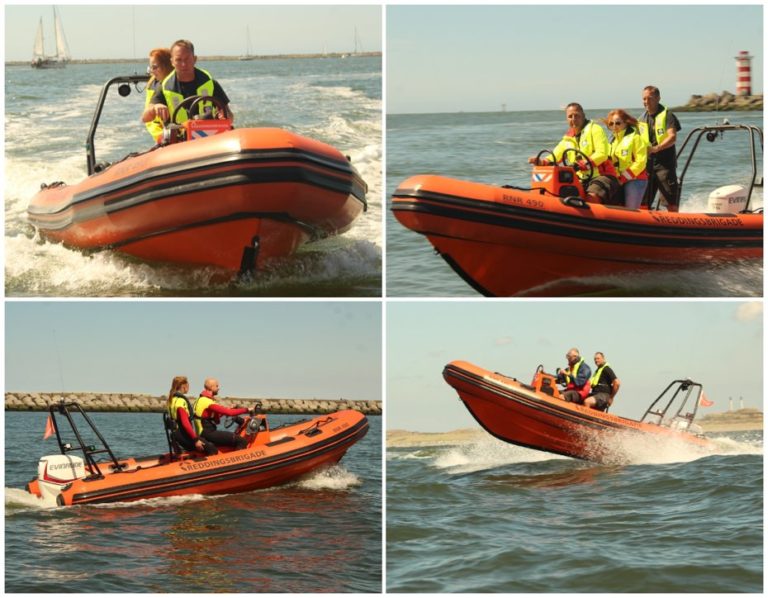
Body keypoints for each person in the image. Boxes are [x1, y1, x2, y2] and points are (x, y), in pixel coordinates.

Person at [528, 102, 619, 204]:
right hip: (580, 178)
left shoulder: (595, 129)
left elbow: (602, 153)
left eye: (576, 115)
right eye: (570, 116)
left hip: (602, 176)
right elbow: (556, 155)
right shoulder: (567, 138)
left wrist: (583, 164)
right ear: (567, 119)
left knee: (591, 198)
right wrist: (542, 162)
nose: (573, 119)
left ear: (583, 116)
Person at [142, 39, 233, 127]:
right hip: (181, 139)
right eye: (178, 60)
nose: (183, 64)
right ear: (172, 62)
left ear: (194, 59)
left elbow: (229, 115)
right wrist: (155, 107)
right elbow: (145, 118)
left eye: (187, 59)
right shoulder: (164, 87)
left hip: (208, 137)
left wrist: (225, 117)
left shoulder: (211, 83)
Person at [638, 86, 682, 211]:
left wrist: (657, 148)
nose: (646, 102)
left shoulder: (667, 115)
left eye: (649, 98)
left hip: (664, 166)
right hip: (647, 166)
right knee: (643, 201)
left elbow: (672, 137)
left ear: (658, 98)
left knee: (670, 202)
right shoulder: (641, 119)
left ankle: (674, 225)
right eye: (644, 99)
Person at [604, 109, 649, 209]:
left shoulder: (635, 138)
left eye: (618, 123)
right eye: (611, 124)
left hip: (635, 179)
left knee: (630, 210)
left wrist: (624, 177)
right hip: (617, 179)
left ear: (626, 123)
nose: (614, 126)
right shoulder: (611, 141)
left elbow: (641, 161)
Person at [193, 378, 255, 450]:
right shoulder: (207, 402)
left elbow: (210, 416)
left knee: (230, 439)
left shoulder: (199, 400)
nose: (219, 388)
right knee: (242, 441)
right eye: (217, 386)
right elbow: (229, 413)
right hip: (208, 433)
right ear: (211, 387)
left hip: (203, 433)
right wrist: (247, 409)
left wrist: (229, 408)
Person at [167, 376, 217, 455]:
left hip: (176, 435)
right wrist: (196, 440)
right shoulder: (180, 401)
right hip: (184, 435)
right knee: (212, 449)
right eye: (188, 385)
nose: (189, 387)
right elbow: (185, 423)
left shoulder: (172, 399)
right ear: (184, 386)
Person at [143, 48, 173, 142]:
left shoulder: (180, 83)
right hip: (166, 137)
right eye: (151, 68)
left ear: (167, 66)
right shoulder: (153, 87)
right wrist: (162, 137)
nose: (152, 71)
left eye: (155, 67)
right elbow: (149, 121)